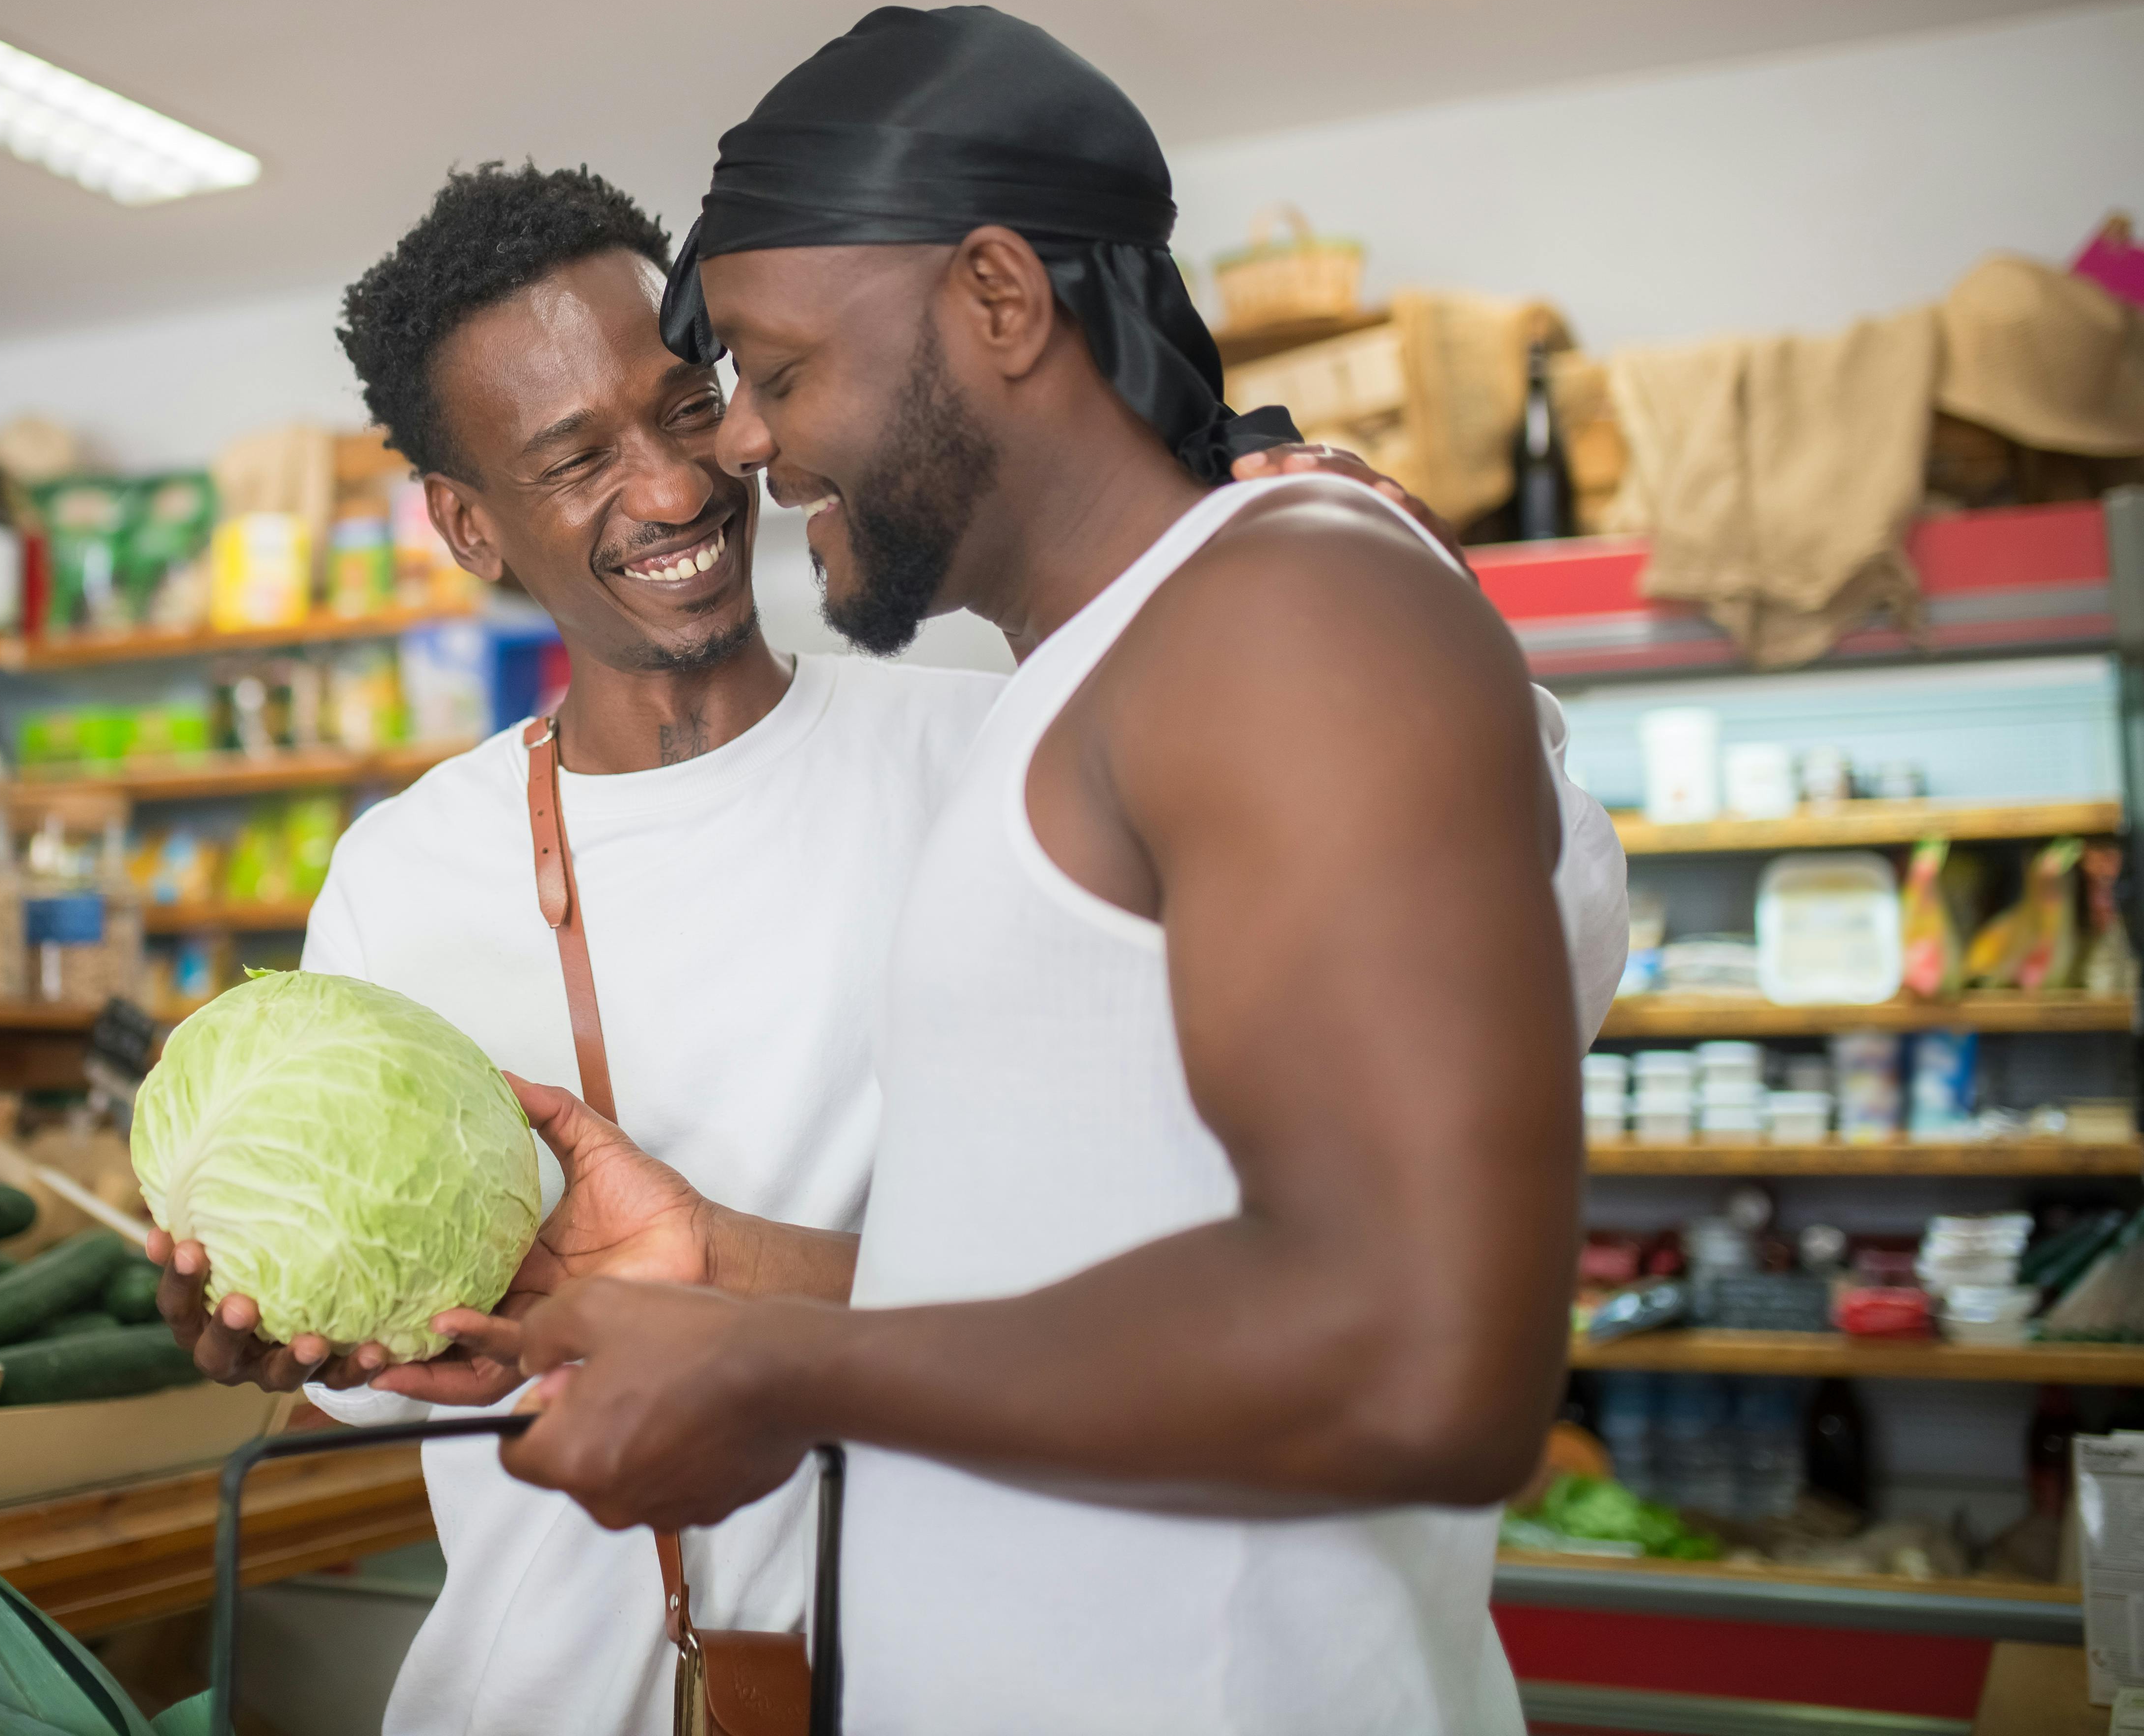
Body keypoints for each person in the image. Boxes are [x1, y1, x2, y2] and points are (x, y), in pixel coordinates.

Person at [147, 158, 1623, 1735]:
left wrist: (1369, 595)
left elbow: (1521, 974)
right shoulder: (403, 876)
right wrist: (287, 1334)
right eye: (578, 458)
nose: (671, 489)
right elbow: (390, 1355)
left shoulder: (1005, 755)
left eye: (687, 405)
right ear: (467, 526)